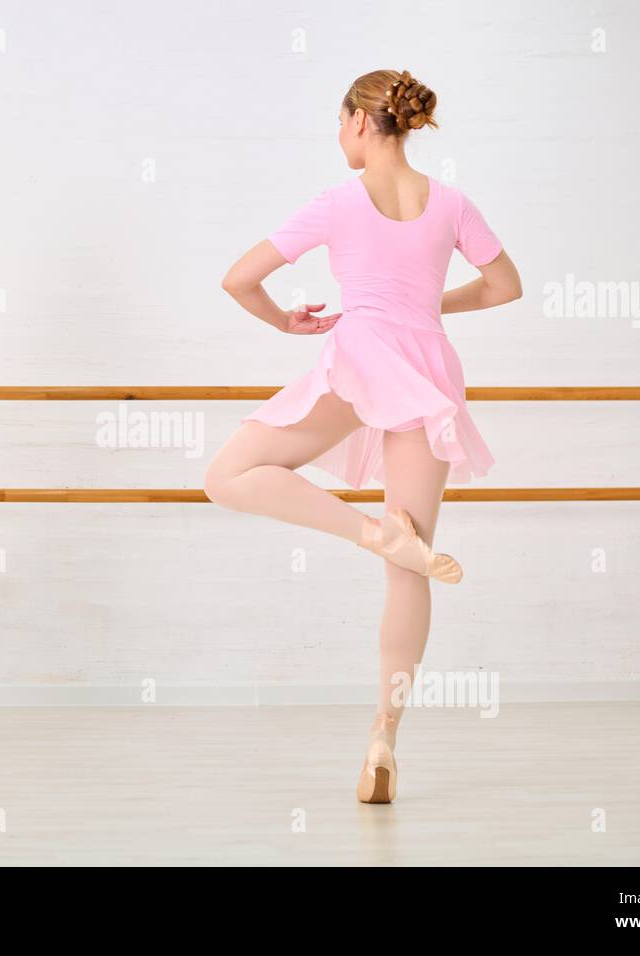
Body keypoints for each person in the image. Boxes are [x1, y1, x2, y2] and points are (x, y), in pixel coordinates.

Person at [205, 70, 522, 803]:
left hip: (362, 355)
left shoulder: (339, 201)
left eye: (336, 122)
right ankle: (383, 737)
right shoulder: (452, 202)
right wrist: (425, 302)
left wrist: (287, 322)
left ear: (356, 121)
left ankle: (367, 531)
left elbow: (237, 279)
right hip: (430, 367)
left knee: (229, 474)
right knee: (409, 567)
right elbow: (505, 286)